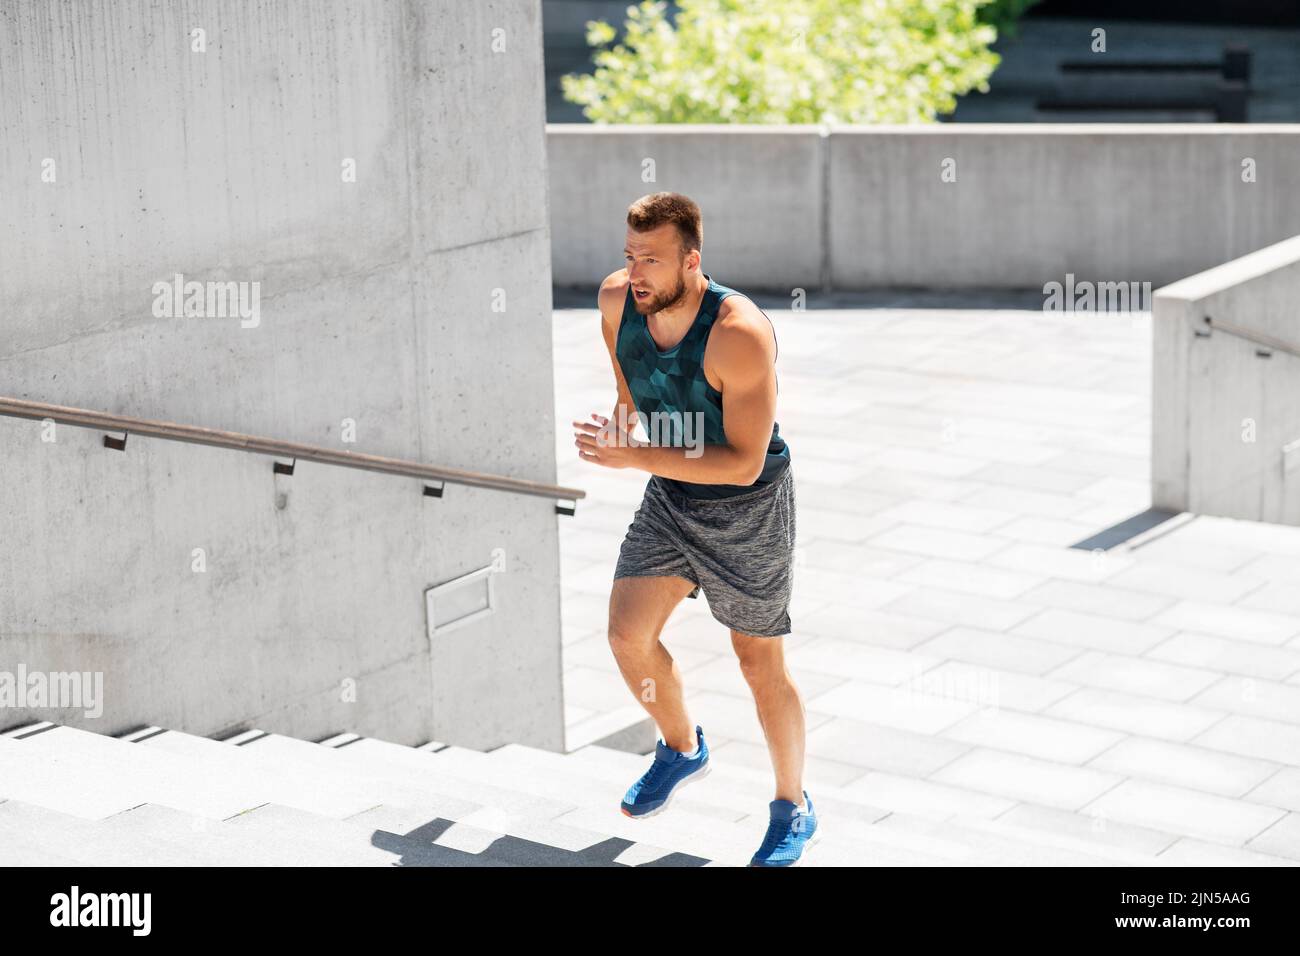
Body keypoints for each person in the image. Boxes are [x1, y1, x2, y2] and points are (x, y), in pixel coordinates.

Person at [572, 191, 819, 867]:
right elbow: (630, 386)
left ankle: (792, 806)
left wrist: (634, 456)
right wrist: (620, 423)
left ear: (692, 259)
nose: (637, 273)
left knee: (756, 661)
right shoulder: (618, 302)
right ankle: (681, 747)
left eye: (652, 259)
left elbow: (742, 465)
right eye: (630, 256)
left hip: (748, 510)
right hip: (673, 495)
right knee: (627, 633)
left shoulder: (739, 333)